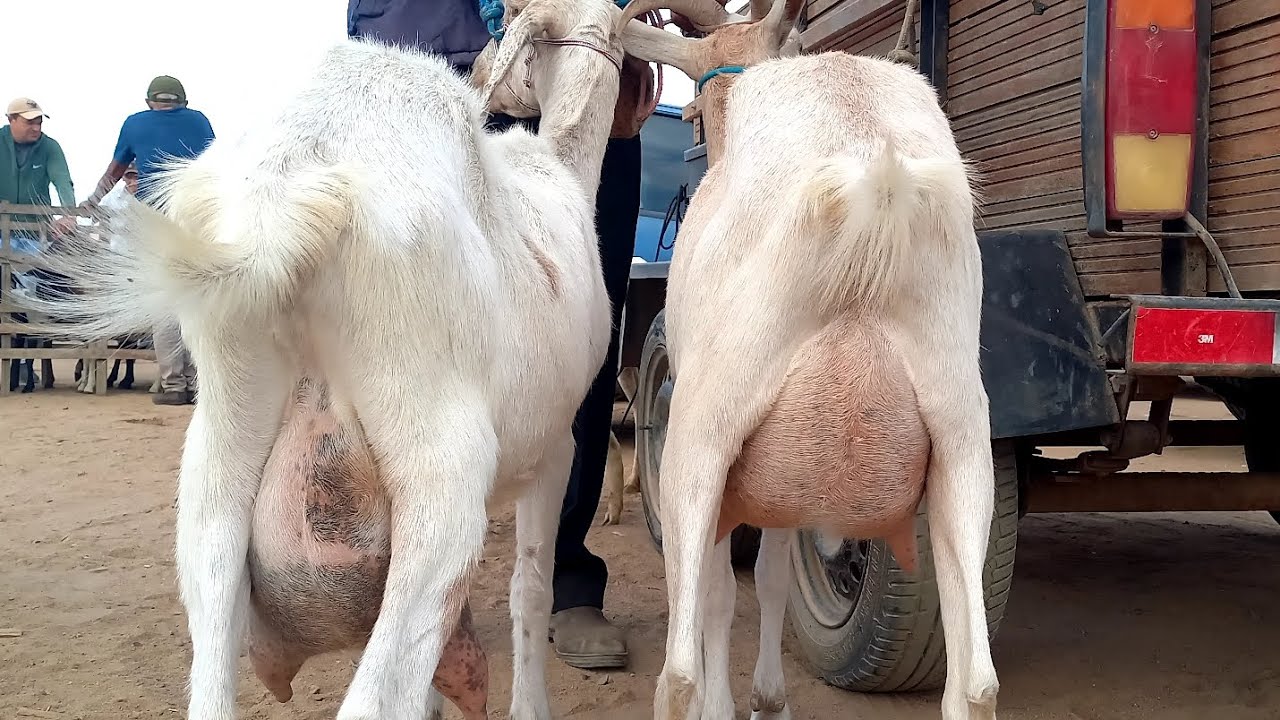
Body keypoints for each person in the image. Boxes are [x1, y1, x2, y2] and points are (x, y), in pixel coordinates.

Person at [348, 0, 646, 669]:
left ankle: (564, 574)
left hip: (588, 71)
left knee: (581, 334)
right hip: (449, 85)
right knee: (421, 334)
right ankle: (421, 579)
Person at [84, 76, 215, 406]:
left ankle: (173, 384)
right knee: (197, 303)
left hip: (154, 223)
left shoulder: (135, 124)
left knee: (164, 303)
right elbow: (215, 167)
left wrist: (93, 200)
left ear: (149, 102)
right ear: (182, 102)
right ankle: (200, 383)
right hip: (194, 219)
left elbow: (115, 170)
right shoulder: (199, 121)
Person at [2, 97, 76, 391]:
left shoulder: (50, 147)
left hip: (35, 236)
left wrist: (68, 215)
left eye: (39, 121)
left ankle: (28, 364)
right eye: (30, 121)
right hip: (1, 233)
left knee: (35, 297)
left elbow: (62, 180)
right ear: (12, 120)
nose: (36, 126)